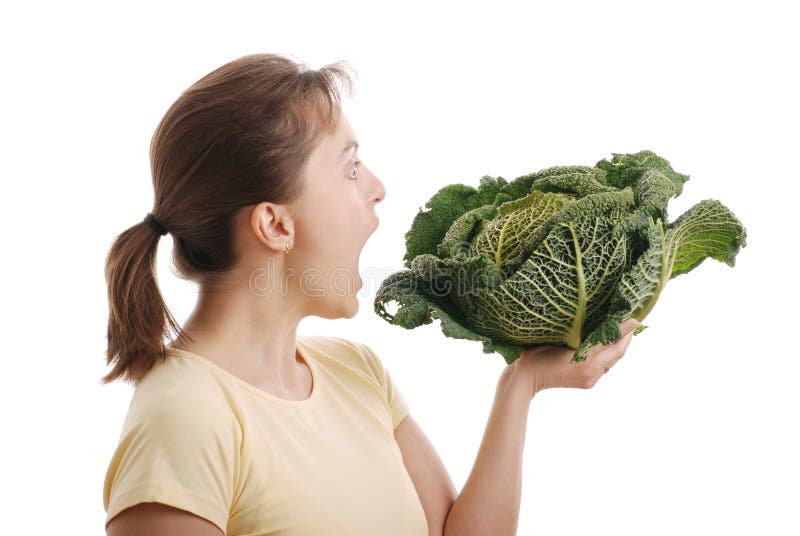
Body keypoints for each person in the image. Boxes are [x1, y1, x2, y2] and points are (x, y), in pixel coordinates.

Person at [101, 53, 639, 536]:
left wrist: (522, 384)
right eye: (350, 167)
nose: (377, 186)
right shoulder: (183, 418)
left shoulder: (356, 371)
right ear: (275, 225)